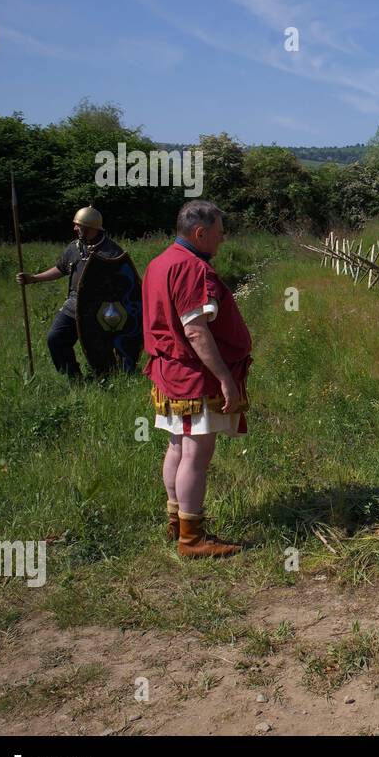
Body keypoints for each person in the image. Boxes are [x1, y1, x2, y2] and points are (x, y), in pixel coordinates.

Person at [141, 200, 252, 558]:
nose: (223, 240)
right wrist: (225, 378)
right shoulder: (191, 268)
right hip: (192, 376)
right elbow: (196, 330)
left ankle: (177, 521)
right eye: (219, 233)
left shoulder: (160, 262)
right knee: (196, 453)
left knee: (177, 446)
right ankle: (191, 538)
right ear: (200, 232)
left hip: (169, 372)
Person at [16, 206, 125, 378]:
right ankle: (74, 378)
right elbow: (60, 269)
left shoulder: (111, 252)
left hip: (98, 311)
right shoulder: (74, 248)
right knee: (56, 339)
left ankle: (109, 380)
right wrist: (34, 278)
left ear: (89, 227)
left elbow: (123, 286)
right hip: (73, 305)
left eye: (78, 225)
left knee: (100, 357)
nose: (74, 228)